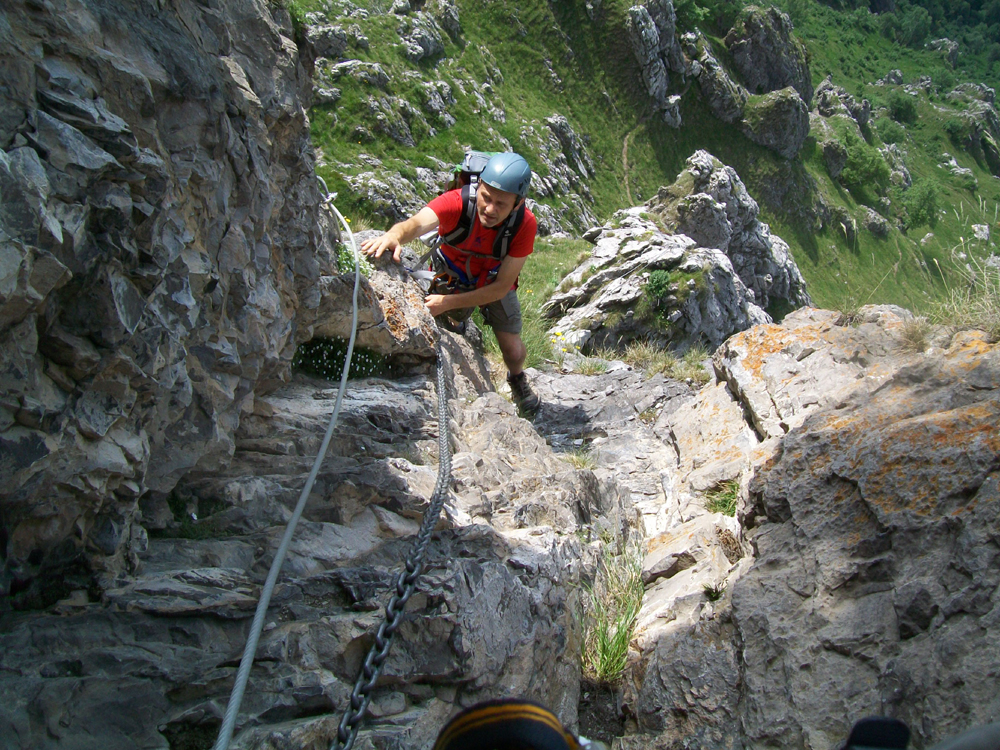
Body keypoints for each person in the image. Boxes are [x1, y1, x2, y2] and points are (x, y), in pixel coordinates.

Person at [361, 151, 541, 414]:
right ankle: (460, 321)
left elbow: (502, 287)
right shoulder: (457, 202)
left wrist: (446, 302)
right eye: (486, 197)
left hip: (493, 282)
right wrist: (394, 235)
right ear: (479, 186)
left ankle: (516, 379)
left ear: (518, 203)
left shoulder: (524, 224)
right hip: (453, 274)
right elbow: (416, 224)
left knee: (514, 352)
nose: (490, 209)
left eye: (501, 204)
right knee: (452, 320)